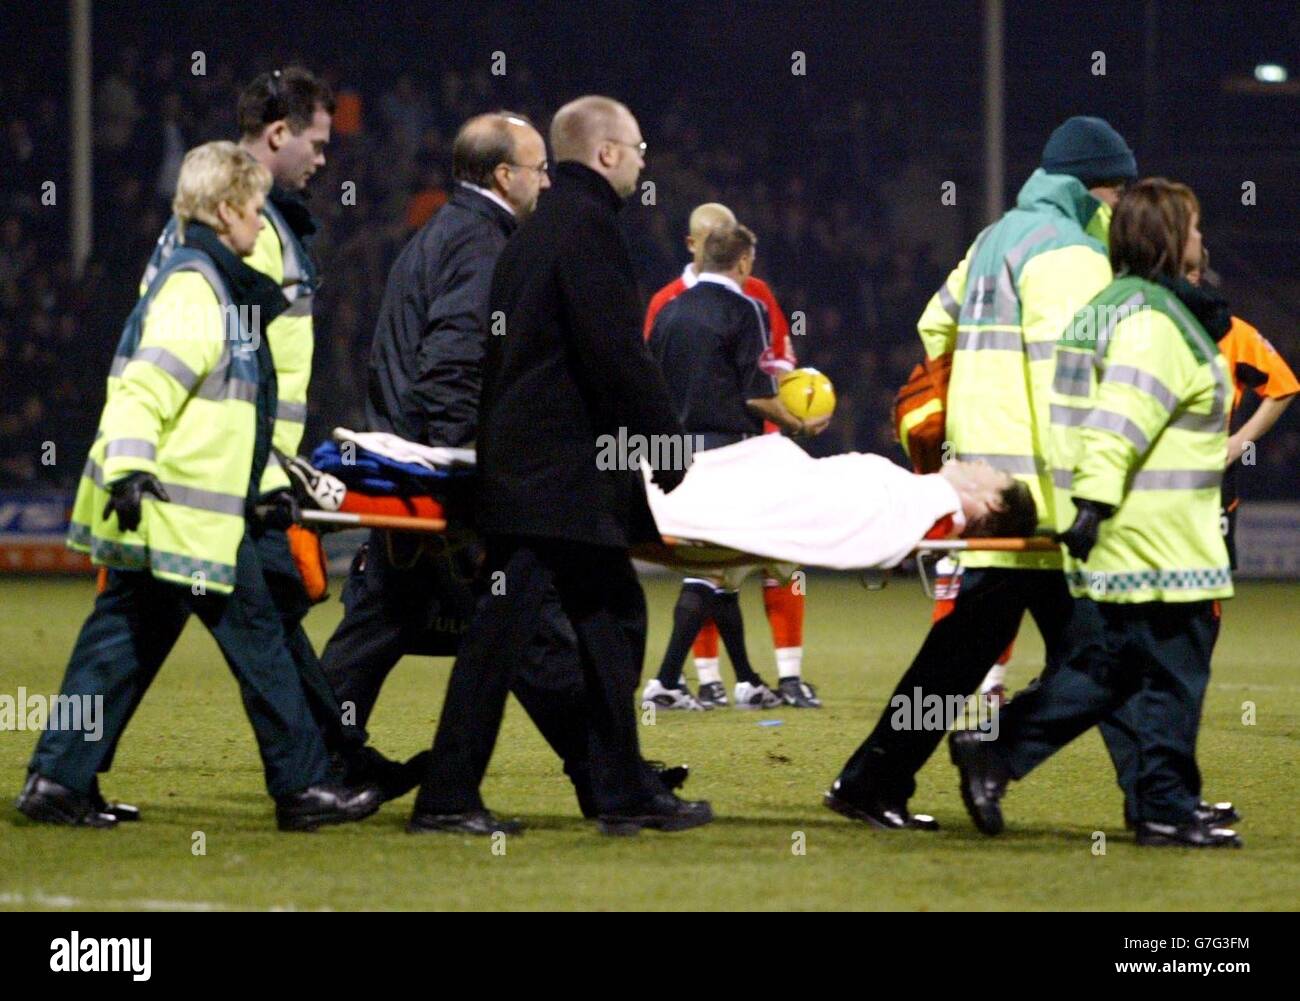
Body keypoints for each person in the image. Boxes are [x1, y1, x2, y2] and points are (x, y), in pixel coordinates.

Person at [317, 111, 686, 816]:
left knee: (384, 623)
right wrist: (476, 476)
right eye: (539, 168)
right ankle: (601, 775)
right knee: (528, 634)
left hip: (412, 467)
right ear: (503, 175)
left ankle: (318, 758)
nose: (548, 180)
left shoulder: (448, 236)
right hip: (442, 475)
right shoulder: (484, 246)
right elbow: (453, 368)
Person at [17, 142, 380, 831]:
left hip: (175, 513)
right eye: (251, 212)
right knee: (263, 645)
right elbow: (144, 389)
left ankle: (56, 780)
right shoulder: (198, 289)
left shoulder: (209, 283)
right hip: (188, 517)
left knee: (117, 647)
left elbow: (226, 414)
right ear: (223, 212)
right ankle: (303, 788)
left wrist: (267, 480)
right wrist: (127, 468)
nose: (260, 226)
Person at [409, 95, 712, 837]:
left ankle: (618, 789)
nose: (644, 161)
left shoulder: (536, 231)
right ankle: (450, 796)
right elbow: (615, 348)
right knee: (506, 633)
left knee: (608, 616)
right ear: (606, 154)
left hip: (537, 474)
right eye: (636, 148)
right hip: (558, 481)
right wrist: (665, 441)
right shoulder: (588, 230)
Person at [824, 115, 1136, 831]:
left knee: (967, 651)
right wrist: (1093, 487)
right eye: (1120, 194)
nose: (1123, 210)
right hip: (1047, 494)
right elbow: (1072, 380)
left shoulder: (994, 238)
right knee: (1105, 651)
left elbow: (936, 326)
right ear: (1098, 188)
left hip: (986, 482)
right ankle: (1148, 796)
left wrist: (976, 414)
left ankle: (873, 779)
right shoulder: (1074, 255)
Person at [138, 68, 416, 798]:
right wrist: (266, 470)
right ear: (278, 134)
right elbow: (224, 366)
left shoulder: (263, 225)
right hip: (219, 472)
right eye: (317, 142)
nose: (326, 158)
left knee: (144, 628)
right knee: (260, 623)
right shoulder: (239, 233)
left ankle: (62, 775)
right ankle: (307, 781)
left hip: (231, 467)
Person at [950, 178, 1241, 848]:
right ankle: (1162, 805)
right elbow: (1122, 419)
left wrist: (1090, 507)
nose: (1202, 239)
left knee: (1110, 670)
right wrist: (1097, 499)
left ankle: (1000, 749)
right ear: (1171, 236)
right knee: (1169, 675)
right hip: (1159, 537)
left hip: (1118, 531)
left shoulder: (1104, 307)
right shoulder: (1156, 321)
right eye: (1194, 228)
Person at [642, 221, 823, 711]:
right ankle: (664, 683)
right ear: (743, 262)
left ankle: (744, 680)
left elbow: (649, 384)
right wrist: (800, 423)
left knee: (724, 566)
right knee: (717, 572)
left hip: (674, 455)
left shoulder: (669, 311)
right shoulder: (745, 309)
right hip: (727, 453)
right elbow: (756, 394)